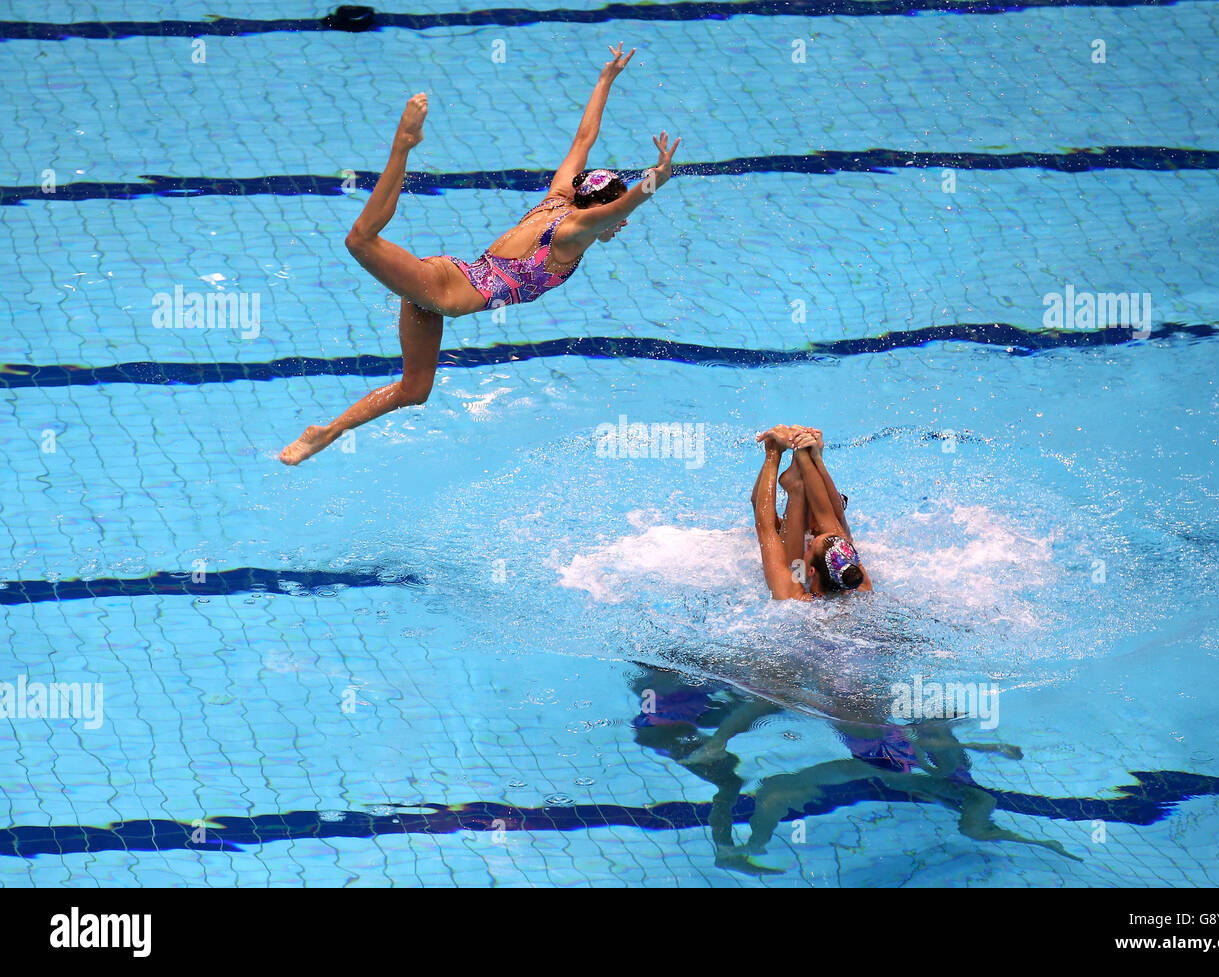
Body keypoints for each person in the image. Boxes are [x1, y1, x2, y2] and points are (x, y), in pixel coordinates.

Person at [279, 42, 681, 465]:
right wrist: (659, 179)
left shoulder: (562, 195)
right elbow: (627, 204)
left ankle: (326, 432)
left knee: (414, 390)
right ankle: (404, 145)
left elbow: (584, 138)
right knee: (359, 240)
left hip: (438, 293)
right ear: (597, 211)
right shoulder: (574, 230)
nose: (620, 225)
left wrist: (605, 80)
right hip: (440, 287)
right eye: (612, 219)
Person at [751, 424, 872, 600]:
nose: (808, 541)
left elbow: (765, 527)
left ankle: (797, 485)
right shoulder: (859, 585)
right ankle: (798, 483)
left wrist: (772, 453)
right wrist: (810, 455)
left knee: (793, 566)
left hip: (799, 571)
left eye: (811, 545)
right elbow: (827, 514)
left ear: (812, 571)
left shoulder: (792, 599)